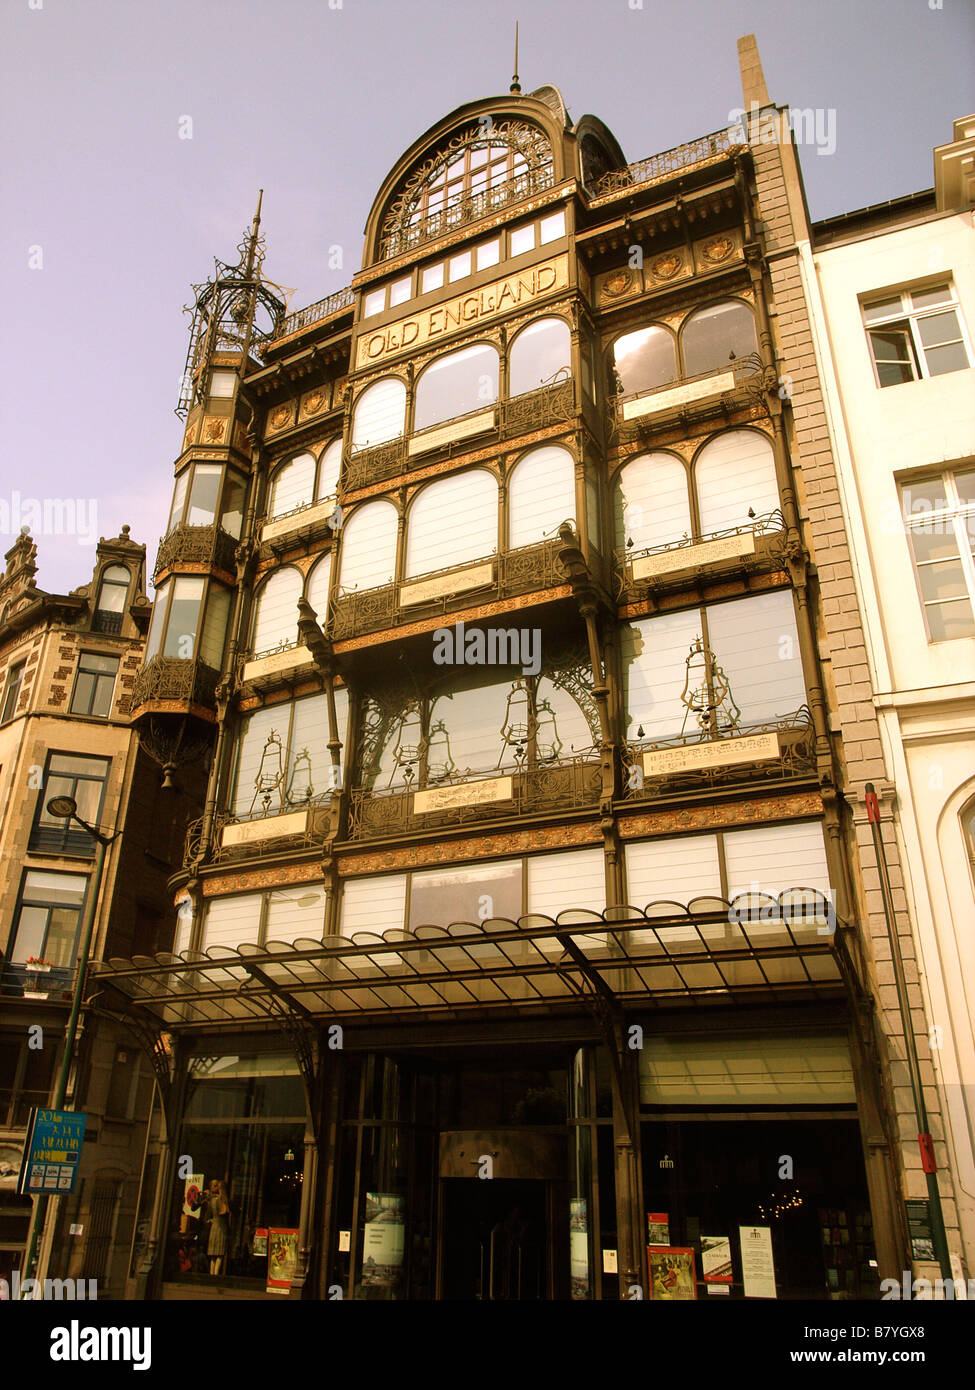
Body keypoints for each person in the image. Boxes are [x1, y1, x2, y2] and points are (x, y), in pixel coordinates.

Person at [199, 1179, 230, 1276]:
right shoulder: (219, 1199)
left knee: (213, 1254)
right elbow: (225, 1210)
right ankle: (215, 1273)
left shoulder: (211, 1200)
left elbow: (208, 1215)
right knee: (219, 1253)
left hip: (214, 1225)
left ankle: (212, 1273)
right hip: (220, 1225)